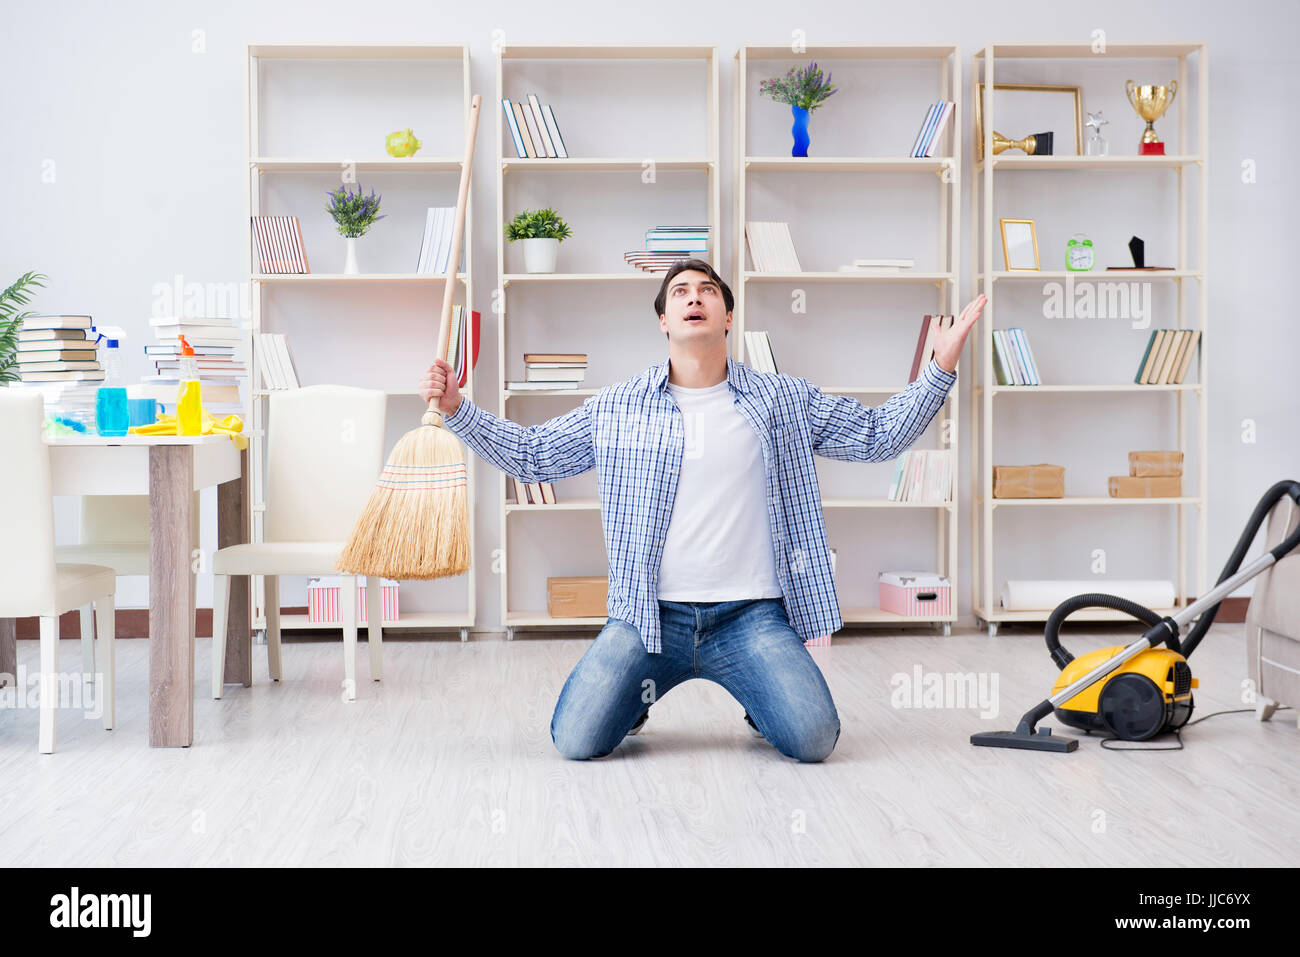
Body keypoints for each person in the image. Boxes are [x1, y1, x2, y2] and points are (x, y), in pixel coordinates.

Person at [419, 258, 985, 762]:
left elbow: (876, 437)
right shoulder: (618, 406)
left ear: (728, 317)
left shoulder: (783, 399)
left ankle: (755, 696)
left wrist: (940, 368)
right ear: (663, 320)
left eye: (708, 290)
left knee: (814, 740)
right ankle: (635, 702)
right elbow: (534, 455)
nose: (695, 297)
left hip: (751, 616)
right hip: (650, 619)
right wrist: (456, 408)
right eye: (681, 291)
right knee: (575, 741)